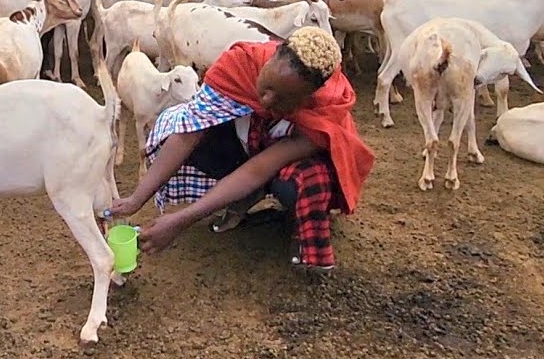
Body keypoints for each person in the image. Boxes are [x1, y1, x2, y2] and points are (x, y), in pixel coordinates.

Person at [107, 27, 375, 269]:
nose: (266, 100)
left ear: (309, 95)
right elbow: (188, 134)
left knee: (308, 180)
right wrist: (136, 199)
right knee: (180, 130)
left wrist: (181, 220)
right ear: (271, 56)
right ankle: (242, 197)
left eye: (283, 98)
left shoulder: (326, 108)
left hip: (280, 161)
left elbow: (257, 170)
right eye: (267, 86)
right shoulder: (240, 65)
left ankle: (299, 225)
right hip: (250, 142)